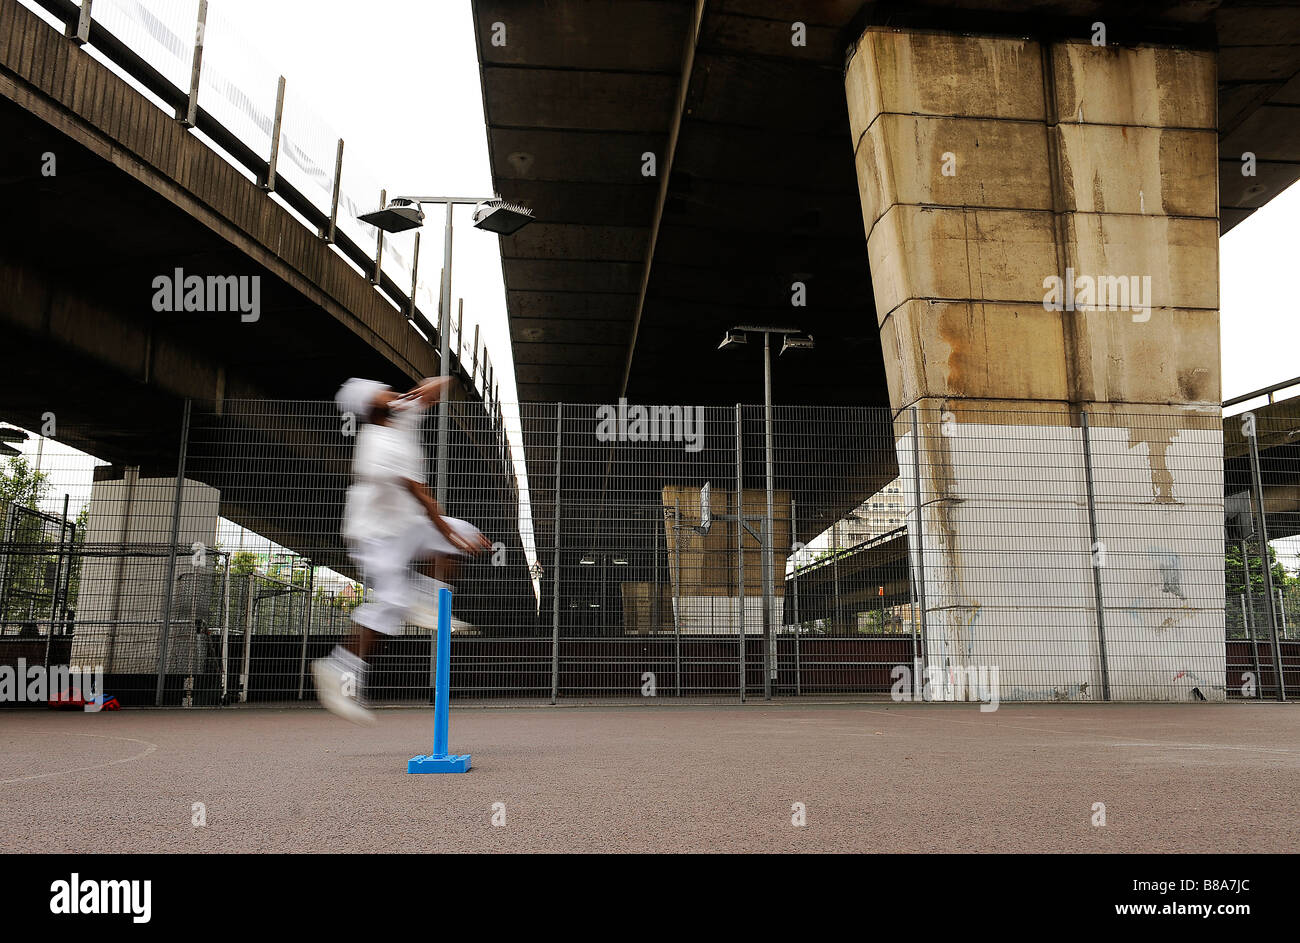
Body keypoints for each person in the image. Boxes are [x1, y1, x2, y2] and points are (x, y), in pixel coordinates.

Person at [313, 376, 489, 725]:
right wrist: (450, 539)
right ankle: (338, 673)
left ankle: (430, 599)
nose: (391, 393)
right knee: (392, 602)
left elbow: (443, 383)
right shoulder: (377, 443)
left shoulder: (399, 414)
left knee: (465, 530)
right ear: (371, 407)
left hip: (404, 524)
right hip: (375, 534)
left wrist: (426, 389)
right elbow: (422, 497)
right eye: (383, 393)